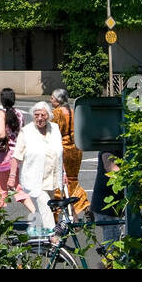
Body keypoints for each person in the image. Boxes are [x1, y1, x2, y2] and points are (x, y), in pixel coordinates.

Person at [8, 101, 65, 237]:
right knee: (45, 207)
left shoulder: (55, 129)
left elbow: (59, 153)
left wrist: (64, 173)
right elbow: (17, 156)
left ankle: (40, 241)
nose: (39, 118)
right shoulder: (26, 131)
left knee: (46, 210)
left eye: (42, 115)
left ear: (48, 116)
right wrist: (12, 177)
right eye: (36, 115)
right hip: (34, 179)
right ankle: (54, 239)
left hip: (51, 178)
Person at [50, 88, 88, 217]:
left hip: (63, 151)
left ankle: (56, 214)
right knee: (72, 180)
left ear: (58, 100)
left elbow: (53, 133)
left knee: (59, 182)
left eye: (52, 98)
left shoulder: (57, 113)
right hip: (76, 150)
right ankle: (81, 206)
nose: (50, 101)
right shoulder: (72, 111)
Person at [0, 88, 23, 208]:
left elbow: (1, 135)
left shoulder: (1, 114)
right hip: (15, 154)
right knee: (17, 187)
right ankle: (34, 212)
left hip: (2, 155)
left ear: (1, 100)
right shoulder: (19, 114)